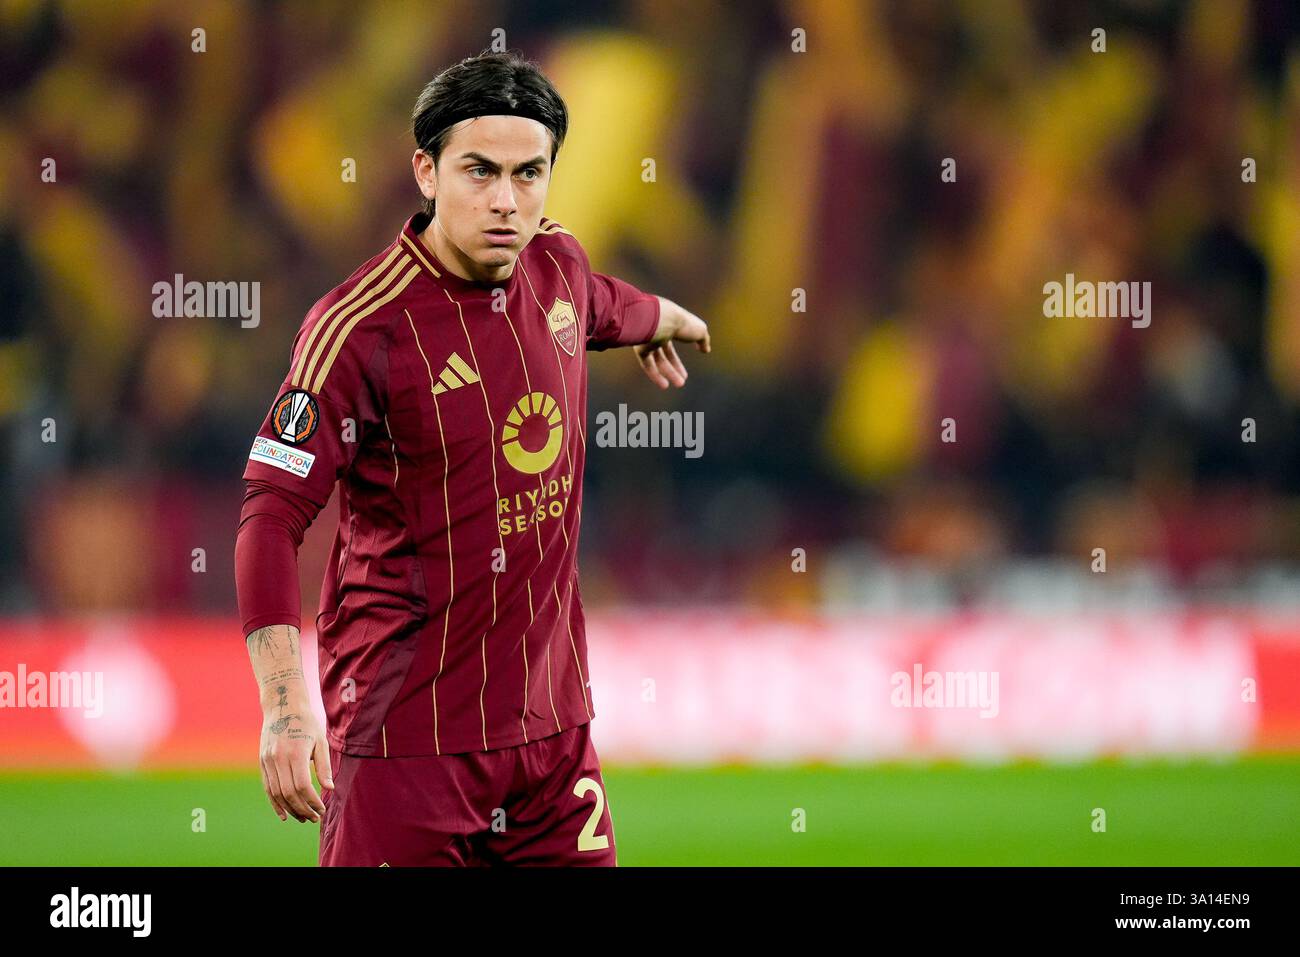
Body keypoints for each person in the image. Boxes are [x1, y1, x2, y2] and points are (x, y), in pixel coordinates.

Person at [234, 50, 710, 866]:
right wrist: (284, 707)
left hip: (552, 741)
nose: (505, 201)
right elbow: (269, 516)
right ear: (425, 170)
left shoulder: (556, 263)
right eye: (478, 171)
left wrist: (659, 316)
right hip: (404, 747)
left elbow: (599, 304)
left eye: (530, 174)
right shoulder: (356, 330)